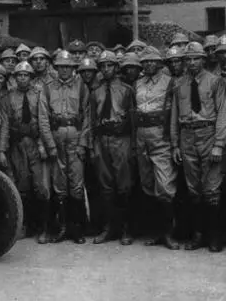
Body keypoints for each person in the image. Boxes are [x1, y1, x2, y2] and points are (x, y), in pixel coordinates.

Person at [170, 42, 226, 252]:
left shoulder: (215, 81)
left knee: (211, 189)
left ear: (203, 59)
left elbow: (222, 114)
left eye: (196, 58)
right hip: (187, 136)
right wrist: (175, 143)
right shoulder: (179, 84)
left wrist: (219, 144)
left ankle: (214, 235)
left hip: (208, 134)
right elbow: (175, 116)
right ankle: (198, 234)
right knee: (194, 190)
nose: (192, 62)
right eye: (188, 59)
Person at [38, 50, 91, 244]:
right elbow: (43, 118)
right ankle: (62, 227)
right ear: (56, 68)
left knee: (76, 183)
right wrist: (50, 145)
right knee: (59, 184)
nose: (65, 70)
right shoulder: (48, 87)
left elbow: (87, 117)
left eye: (68, 67)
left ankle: (77, 229)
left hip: (75, 136)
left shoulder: (82, 87)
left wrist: (83, 144)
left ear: (73, 68)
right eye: (61, 67)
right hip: (56, 135)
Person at [0, 62, 50, 244]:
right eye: (19, 75)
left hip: (35, 143)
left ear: (31, 77)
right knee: (23, 185)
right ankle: (26, 225)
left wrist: (44, 145)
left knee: (40, 186)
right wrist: (2, 150)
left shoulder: (39, 94)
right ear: (14, 77)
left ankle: (44, 227)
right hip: (17, 145)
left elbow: (44, 120)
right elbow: (4, 125)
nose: (22, 78)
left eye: (26, 75)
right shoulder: (8, 97)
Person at [135, 46, 180, 250]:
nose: (148, 64)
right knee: (147, 184)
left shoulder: (169, 82)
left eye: (152, 61)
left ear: (160, 63)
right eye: (145, 62)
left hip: (160, 135)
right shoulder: (138, 83)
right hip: (142, 136)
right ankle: (155, 232)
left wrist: (172, 140)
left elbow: (173, 112)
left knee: (165, 186)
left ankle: (168, 233)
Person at [90, 51, 135, 246]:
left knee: (123, 185)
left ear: (116, 68)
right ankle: (109, 227)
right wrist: (92, 145)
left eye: (110, 65)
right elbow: (92, 120)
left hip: (120, 139)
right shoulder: (96, 92)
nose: (106, 69)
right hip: (102, 139)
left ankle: (126, 228)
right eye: (103, 66)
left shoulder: (126, 90)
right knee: (105, 185)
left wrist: (133, 145)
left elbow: (133, 120)